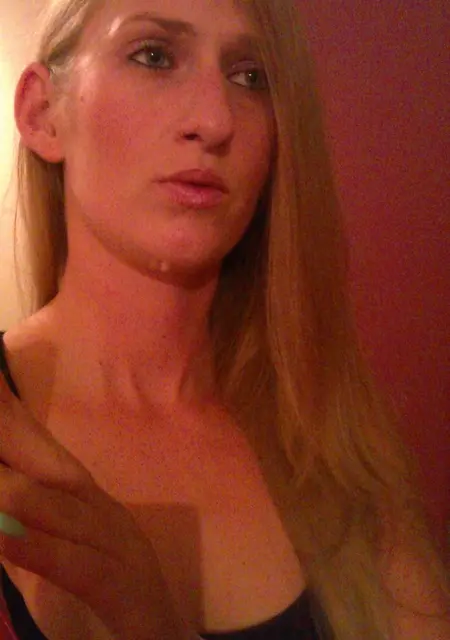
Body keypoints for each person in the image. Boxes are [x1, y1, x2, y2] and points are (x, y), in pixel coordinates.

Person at [0, 0, 449, 638]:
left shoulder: (329, 429)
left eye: (250, 77)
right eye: (154, 56)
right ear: (42, 112)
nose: (215, 121)